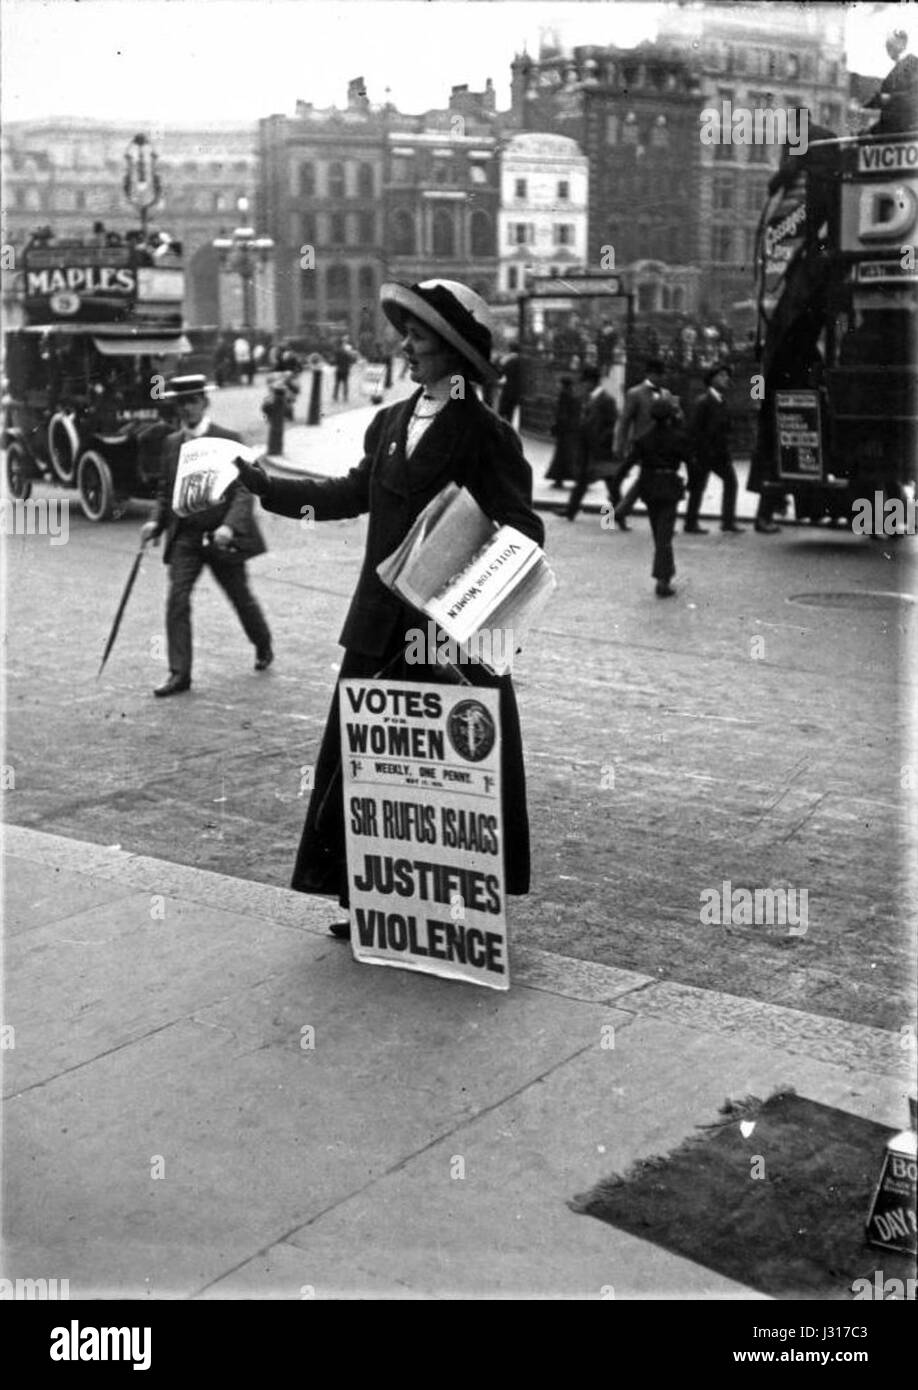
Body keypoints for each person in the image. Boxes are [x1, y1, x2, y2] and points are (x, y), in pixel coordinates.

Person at [234, 279, 544, 940]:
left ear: (454, 353)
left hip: (446, 644)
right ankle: (366, 895)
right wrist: (269, 486)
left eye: (420, 337)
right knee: (365, 766)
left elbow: (523, 535)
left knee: (448, 778)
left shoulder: (487, 435)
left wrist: (459, 585)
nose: (406, 346)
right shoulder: (393, 421)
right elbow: (351, 492)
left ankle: (453, 903)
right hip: (379, 629)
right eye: (407, 333)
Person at [140, 374, 273, 697]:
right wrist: (155, 522)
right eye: (181, 402)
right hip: (186, 536)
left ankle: (263, 644)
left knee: (239, 596)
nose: (187, 408)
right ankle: (179, 674)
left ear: (204, 402)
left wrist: (229, 526)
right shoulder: (173, 444)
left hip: (221, 536)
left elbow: (244, 490)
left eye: (193, 401)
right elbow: (165, 492)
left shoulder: (227, 439)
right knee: (177, 600)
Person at [613, 357, 683, 526]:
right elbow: (625, 421)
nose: (661, 378)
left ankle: (620, 511)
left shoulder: (666, 394)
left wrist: (677, 412)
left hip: (662, 443)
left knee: (645, 478)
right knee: (644, 478)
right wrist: (619, 445)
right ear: (649, 374)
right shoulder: (635, 393)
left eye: (663, 375)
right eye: (658, 374)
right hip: (643, 443)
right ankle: (620, 511)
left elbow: (678, 417)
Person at [634, 397, 689, 597]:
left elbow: (629, 463)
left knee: (659, 533)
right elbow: (690, 461)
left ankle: (665, 575)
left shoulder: (643, 439)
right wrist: (692, 482)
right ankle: (662, 580)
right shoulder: (678, 438)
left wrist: (615, 487)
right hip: (669, 488)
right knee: (664, 536)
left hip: (649, 489)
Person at [685, 365, 744, 534]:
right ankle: (691, 523)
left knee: (731, 483)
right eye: (722, 376)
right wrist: (696, 453)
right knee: (698, 487)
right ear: (712, 379)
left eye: (727, 376)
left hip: (719, 453)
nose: (727, 379)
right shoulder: (703, 402)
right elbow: (694, 430)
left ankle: (727, 521)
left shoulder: (721, 401)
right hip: (705, 453)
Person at [564, 367, 624, 525]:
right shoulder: (590, 397)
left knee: (612, 486)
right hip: (588, 448)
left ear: (591, 382)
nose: (583, 385)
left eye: (585, 382)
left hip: (600, 450)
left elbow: (611, 423)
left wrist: (602, 441)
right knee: (582, 482)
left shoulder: (606, 399)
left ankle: (619, 515)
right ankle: (570, 511)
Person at [545, 376, 579, 488]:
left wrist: (556, 426)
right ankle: (573, 476)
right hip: (572, 429)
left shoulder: (564, 395)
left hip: (564, 430)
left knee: (561, 455)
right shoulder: (574, 395)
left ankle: (559, 479)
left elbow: (562, 413)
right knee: (569, 454)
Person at [497, 340, 521, 424]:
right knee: (511, 413)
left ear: (510, 349)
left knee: (501, 412)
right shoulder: (521, 360)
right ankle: (508, 428)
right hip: (517, 391)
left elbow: (500, 372)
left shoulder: (508, 360)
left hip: (508, 389)